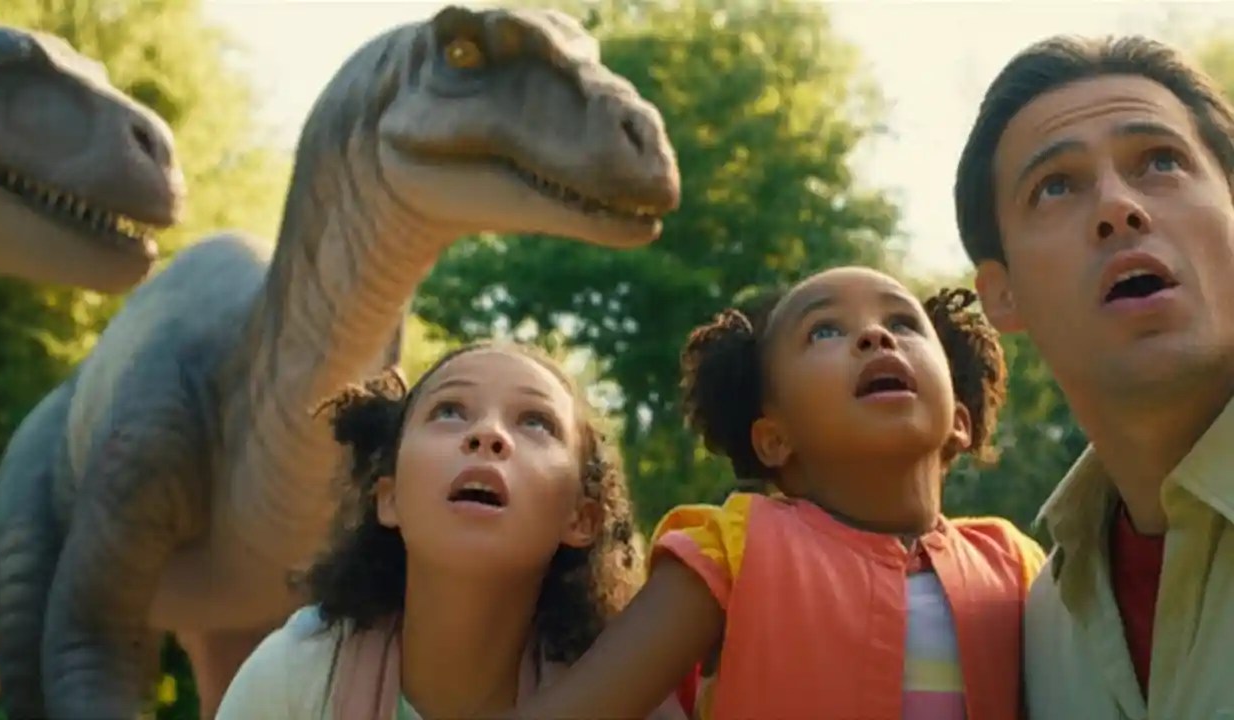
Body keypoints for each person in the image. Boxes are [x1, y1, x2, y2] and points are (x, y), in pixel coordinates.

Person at [504, 266, 1046, 719]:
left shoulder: (1020, 567)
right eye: (825, 332)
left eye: (903, 323)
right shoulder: (730, 551)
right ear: (773, 438)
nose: (875, 337)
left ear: (959, 421)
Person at [957, 34, 1234, 718]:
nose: (1118, 207)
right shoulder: (1039, 622)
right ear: (1002, 295)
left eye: (1162, 162)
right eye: (1056, 187)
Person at [215, 342, 688, 719]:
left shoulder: (631, 701)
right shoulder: (295, 676)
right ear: (390, 499)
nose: (487, 434)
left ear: (581, 518)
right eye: (449, 411)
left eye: (535, 422)